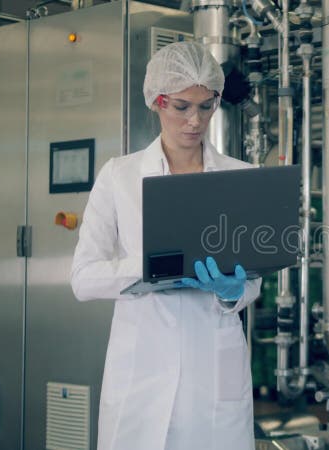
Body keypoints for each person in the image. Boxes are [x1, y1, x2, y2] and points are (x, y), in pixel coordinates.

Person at [70, 41, 261, 450]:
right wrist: (152, 267)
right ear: (157, 102)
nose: (195, 120)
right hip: (141, 373)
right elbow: (83, 278)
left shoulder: (239, 177)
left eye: (206, 106)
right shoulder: (120, 176)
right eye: (181, 107)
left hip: (213, 377)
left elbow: (250, 281)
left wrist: (234, 291)